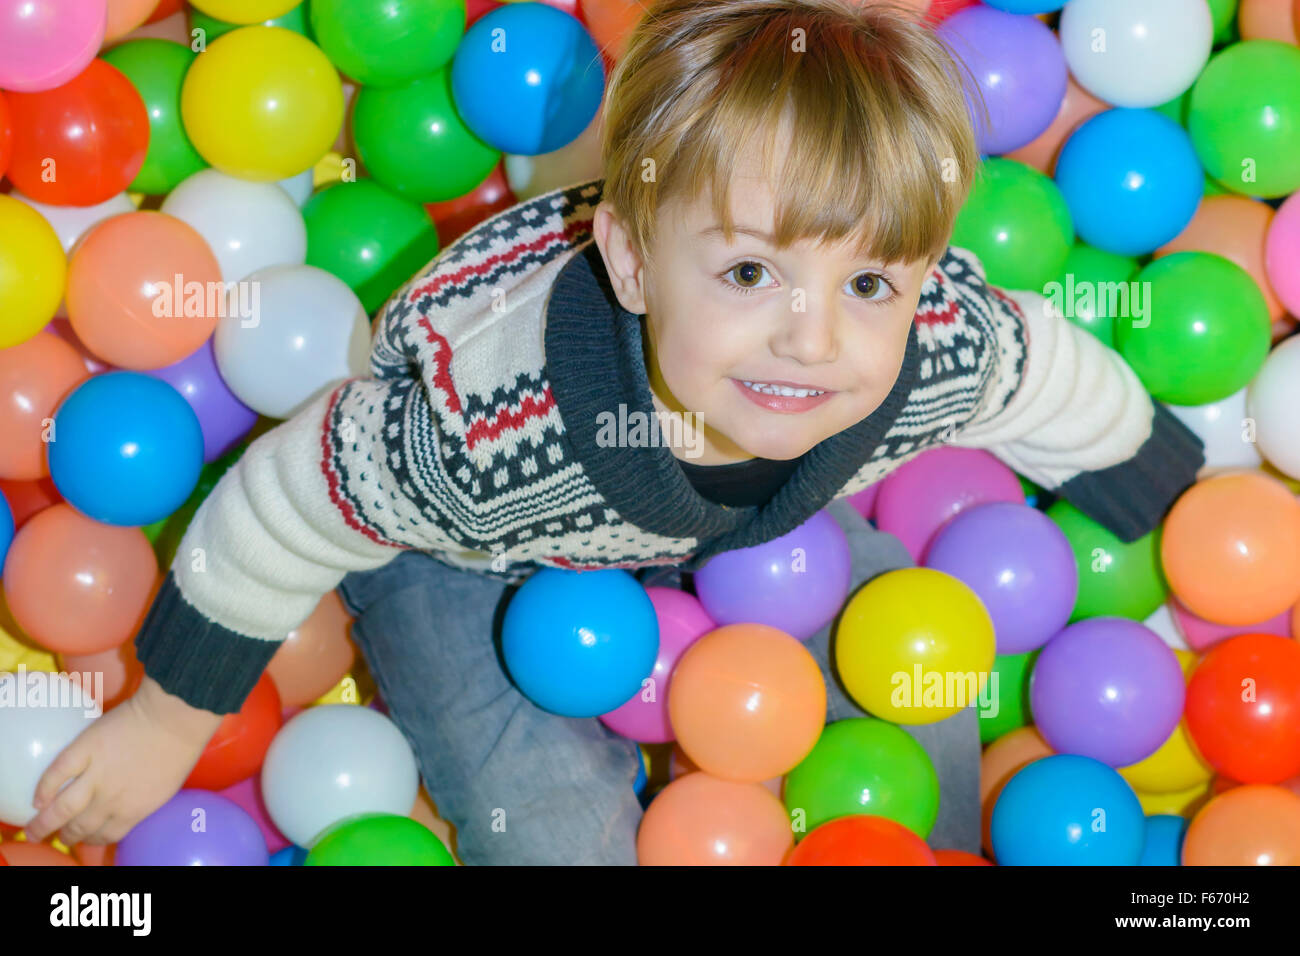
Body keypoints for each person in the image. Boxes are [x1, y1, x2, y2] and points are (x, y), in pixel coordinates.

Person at [23, 0, 1203, 863]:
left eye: (868, 285)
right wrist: (164, 719)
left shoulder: (924, 350)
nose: (812, 340)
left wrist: (1161, 487)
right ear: (633, 261)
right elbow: (290, 500)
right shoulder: (482, 425)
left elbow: (1046, 370)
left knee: (914, 690)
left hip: (737, 519)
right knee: (549, 834)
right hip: (464, 554)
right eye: (750, 270)